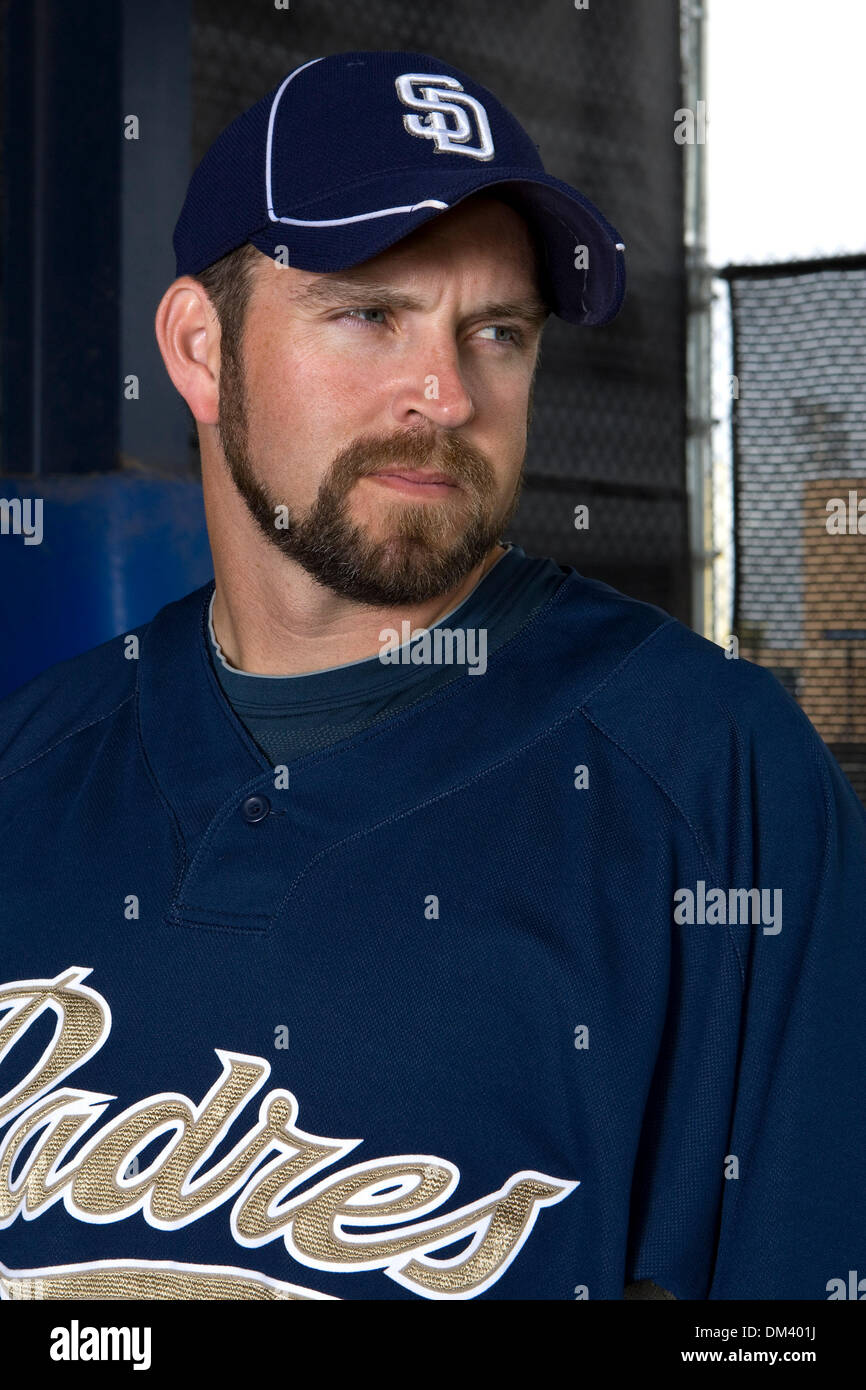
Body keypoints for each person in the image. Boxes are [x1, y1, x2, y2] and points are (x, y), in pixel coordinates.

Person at [0, 49, 863, 1304]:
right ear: (198, 347)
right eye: (368, 314)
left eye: (496, 332)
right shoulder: (29, 770)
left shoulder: (715, 782)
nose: (446, 392)